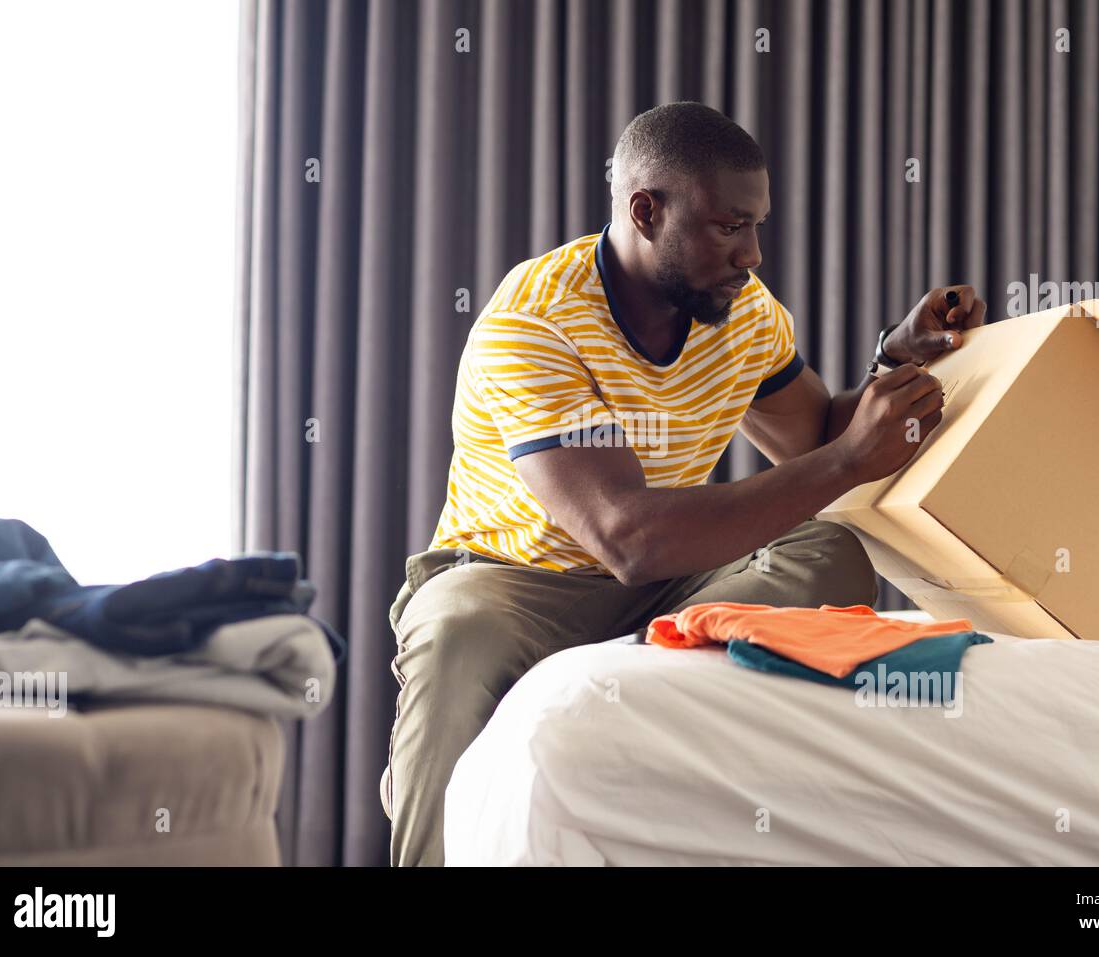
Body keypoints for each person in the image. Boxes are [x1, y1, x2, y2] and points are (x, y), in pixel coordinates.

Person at [383, 101, 987, 866]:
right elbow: (625, 534)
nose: (754, 254)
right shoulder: (535, 324)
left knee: (829, 549)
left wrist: (896, 360)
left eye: (757, 226)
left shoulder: (743, 315)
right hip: (513, 581)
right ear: (646, 210)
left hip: (667, 589)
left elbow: (811, 439)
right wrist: (846, 461)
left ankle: (635, 704)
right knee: (458, 633)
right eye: (730, 227)